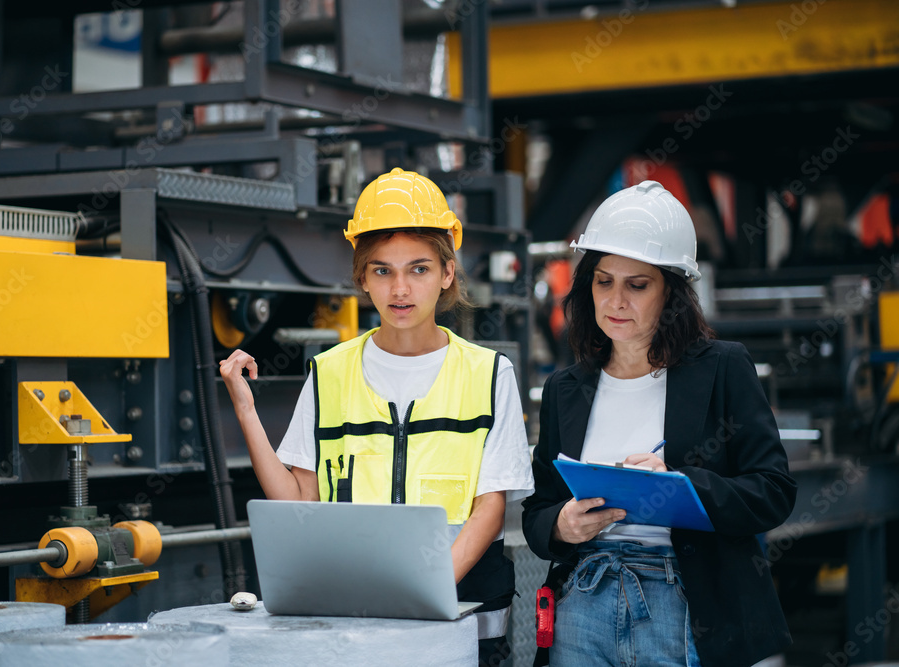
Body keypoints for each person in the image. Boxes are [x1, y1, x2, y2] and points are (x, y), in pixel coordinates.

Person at [221, 168, 534, 666]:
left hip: (463, 626)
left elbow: (488, 509)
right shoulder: (329, 373)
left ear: (447, 273)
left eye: (419, 268)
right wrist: (245, 409)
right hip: (356, 629)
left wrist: (418, 594)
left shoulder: (489, 373)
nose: (400, 288)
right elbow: (299, 500)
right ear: (362, 278)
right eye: (383, 270)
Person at [522, 181, 797, 667]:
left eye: (637, 285)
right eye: (603, 281)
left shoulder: (723, 368)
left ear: (672, 291)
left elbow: (773, 491)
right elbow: (538, 508)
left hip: (685, 602)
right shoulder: (567, 388)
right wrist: (561, 525)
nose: (615, 301)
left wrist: (681, 485)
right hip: (584, 600)